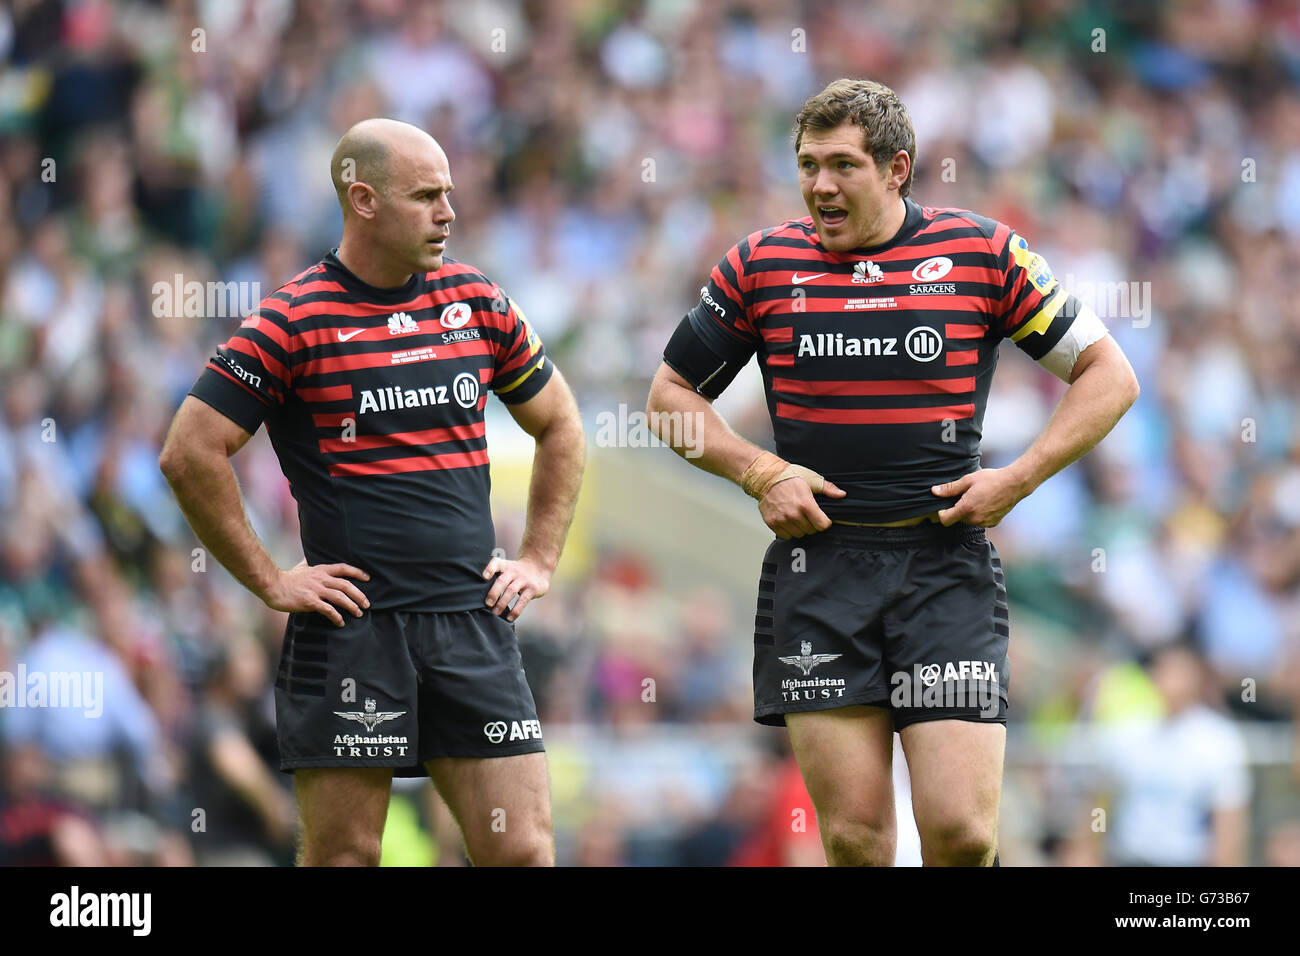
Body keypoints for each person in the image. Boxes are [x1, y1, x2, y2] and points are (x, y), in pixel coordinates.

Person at [646, 79, 1139, 866]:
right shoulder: (764, 264)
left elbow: (1110, 375)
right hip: (822, 573)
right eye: (808, 165)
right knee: (856, 838)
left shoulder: (981, 252)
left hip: (944, 568)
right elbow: (669, 397)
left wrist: (1020, 477)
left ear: (897, 168)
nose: (820, 186)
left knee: (962, 834)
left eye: (842, 165)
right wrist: (759, 471)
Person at [159, 119, 585, 867]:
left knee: (521, 850)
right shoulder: (294, 318)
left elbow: (561, 425)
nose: (448, 212)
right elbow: (189, 451)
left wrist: (539, 558)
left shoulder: (477, 300)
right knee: (346, 857)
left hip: (470, 619)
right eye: (426, 197)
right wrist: (269, 579)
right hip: (355, 628)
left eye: (449, 194)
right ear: (362, 200)